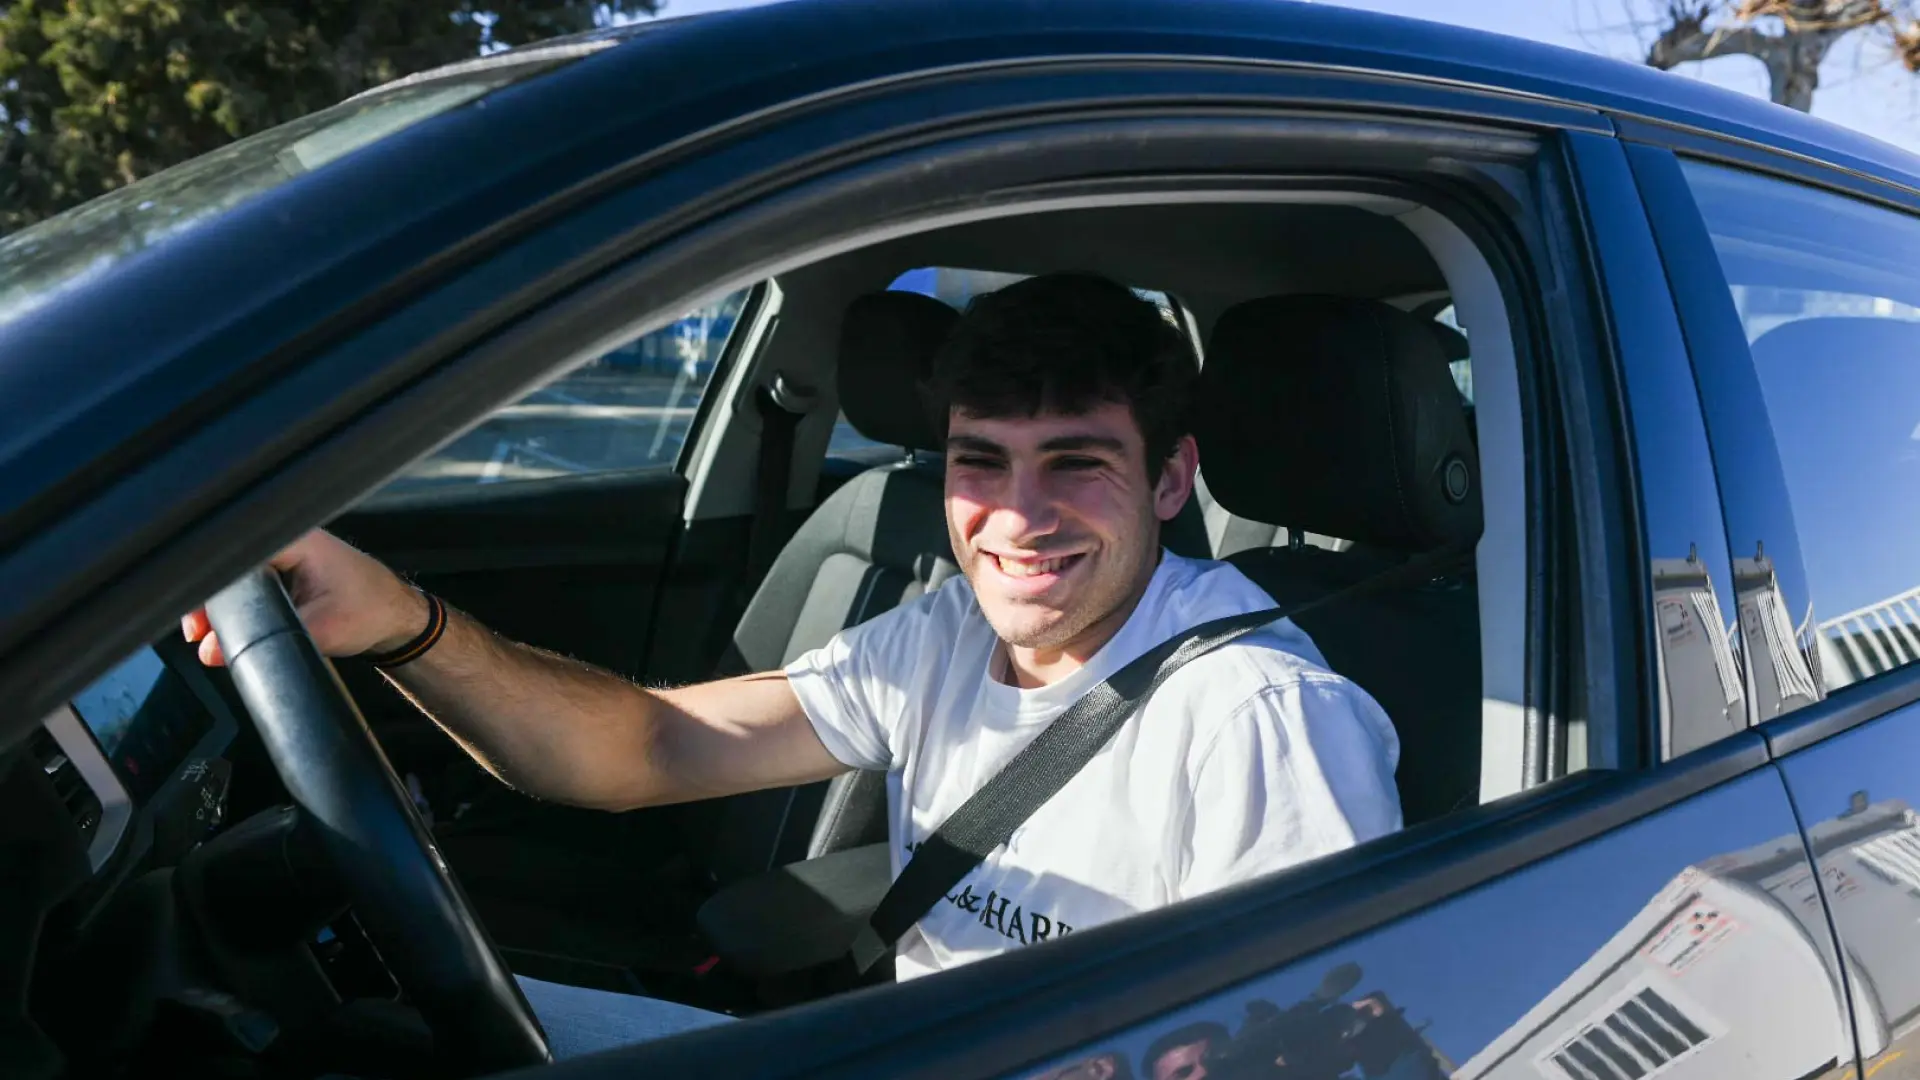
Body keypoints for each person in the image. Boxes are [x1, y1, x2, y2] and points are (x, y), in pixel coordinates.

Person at [183, 273, 1403, 1055]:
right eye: (981, 462)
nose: (1016, 518)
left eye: (1076, 463)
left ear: (1172, 477)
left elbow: (1323, 1032)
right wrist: (395, 619)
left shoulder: (1262, 715)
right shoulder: (945, 631)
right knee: (386, 1044)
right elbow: (647, 747)